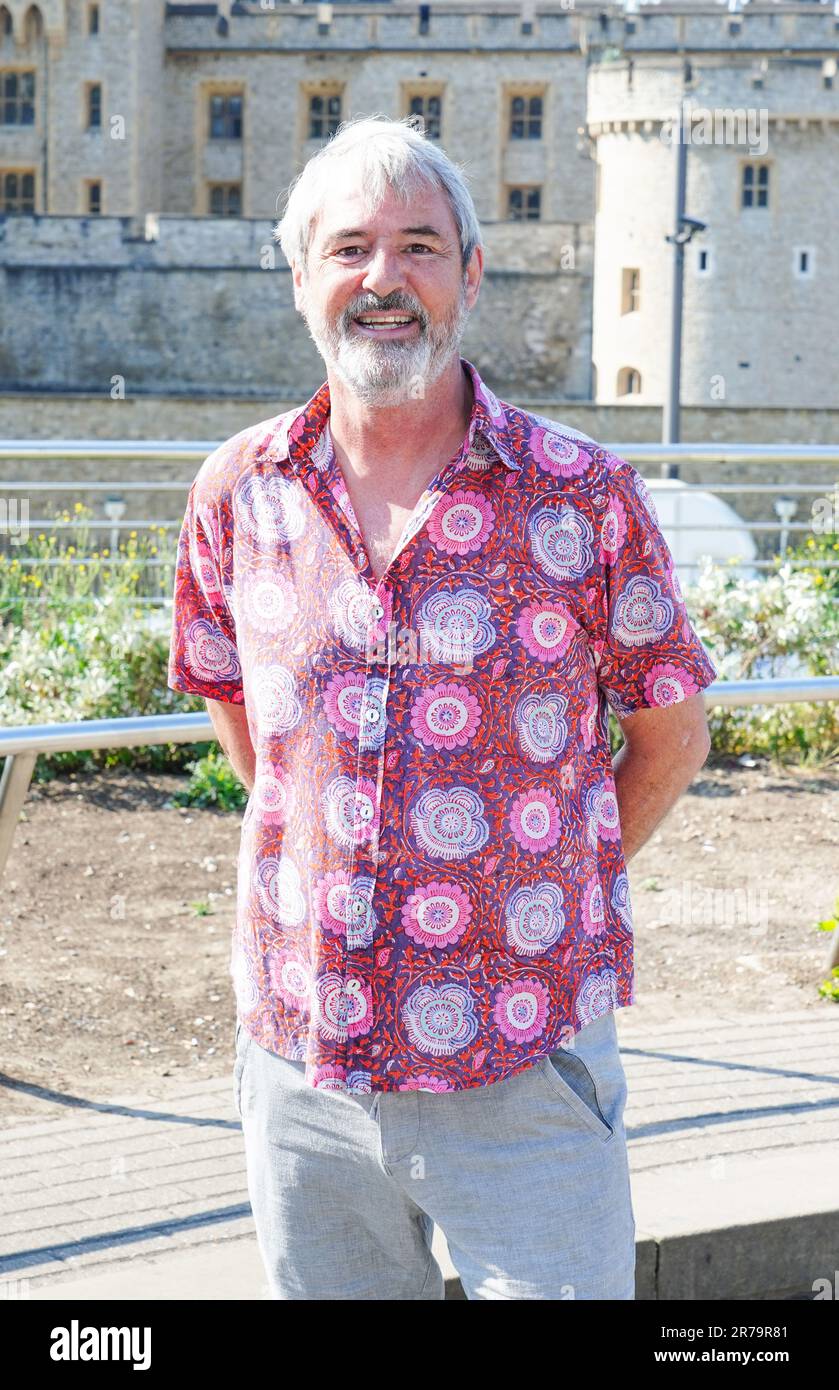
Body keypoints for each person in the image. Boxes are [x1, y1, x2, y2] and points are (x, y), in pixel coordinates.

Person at [167, 114, 718, 1300]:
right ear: (301, 279)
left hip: (520, 1060)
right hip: (304, 1065)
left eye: (419, 246)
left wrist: (537, 886)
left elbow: (670, 733)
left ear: (471, 274)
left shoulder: (581, 495)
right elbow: (250, 725)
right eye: (349, 247)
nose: (384, 279)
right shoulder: (236, 495)